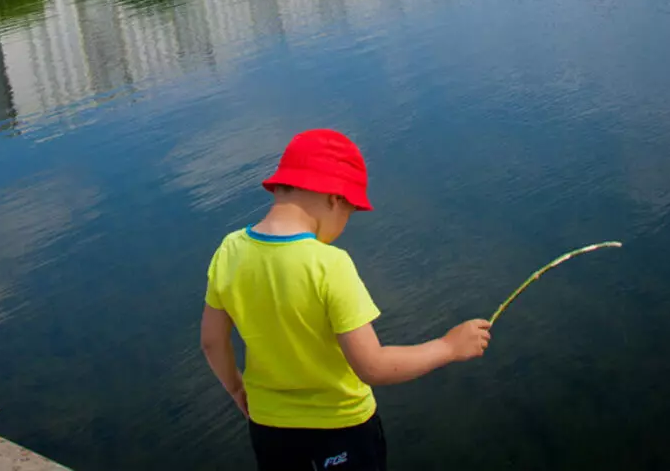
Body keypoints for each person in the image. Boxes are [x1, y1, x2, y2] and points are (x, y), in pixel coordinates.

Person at [201, 129, 491, 471]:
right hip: (342, 430)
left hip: (268, 428)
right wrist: (449, 346)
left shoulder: (229, 251)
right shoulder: (329, 265)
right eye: (349, 213)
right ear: (333, 199)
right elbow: (372, 367)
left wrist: (237, 389)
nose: (344, 225)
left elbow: (211, 342)